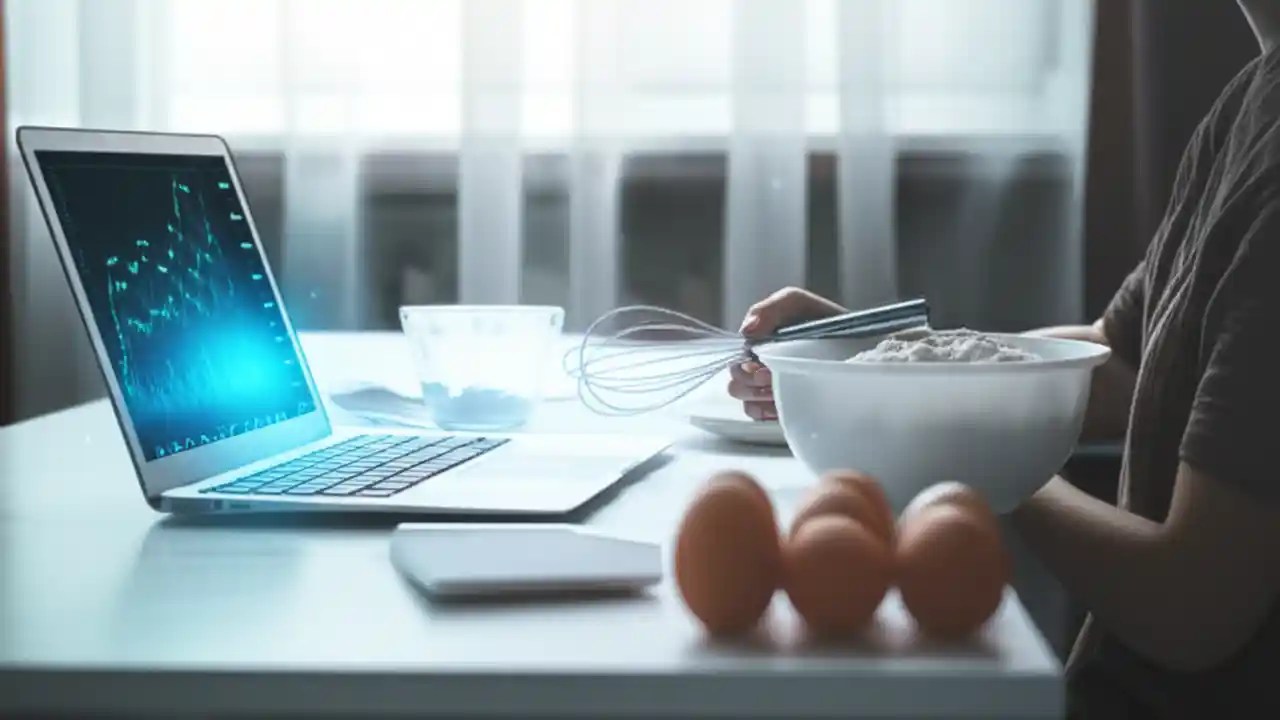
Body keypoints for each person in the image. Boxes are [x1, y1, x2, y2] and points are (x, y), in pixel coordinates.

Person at [730, 2, 1280, 717]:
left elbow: (1194, 607)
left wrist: (955, 435)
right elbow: (1119, 366)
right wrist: (883, 357)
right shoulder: (1252, 97)